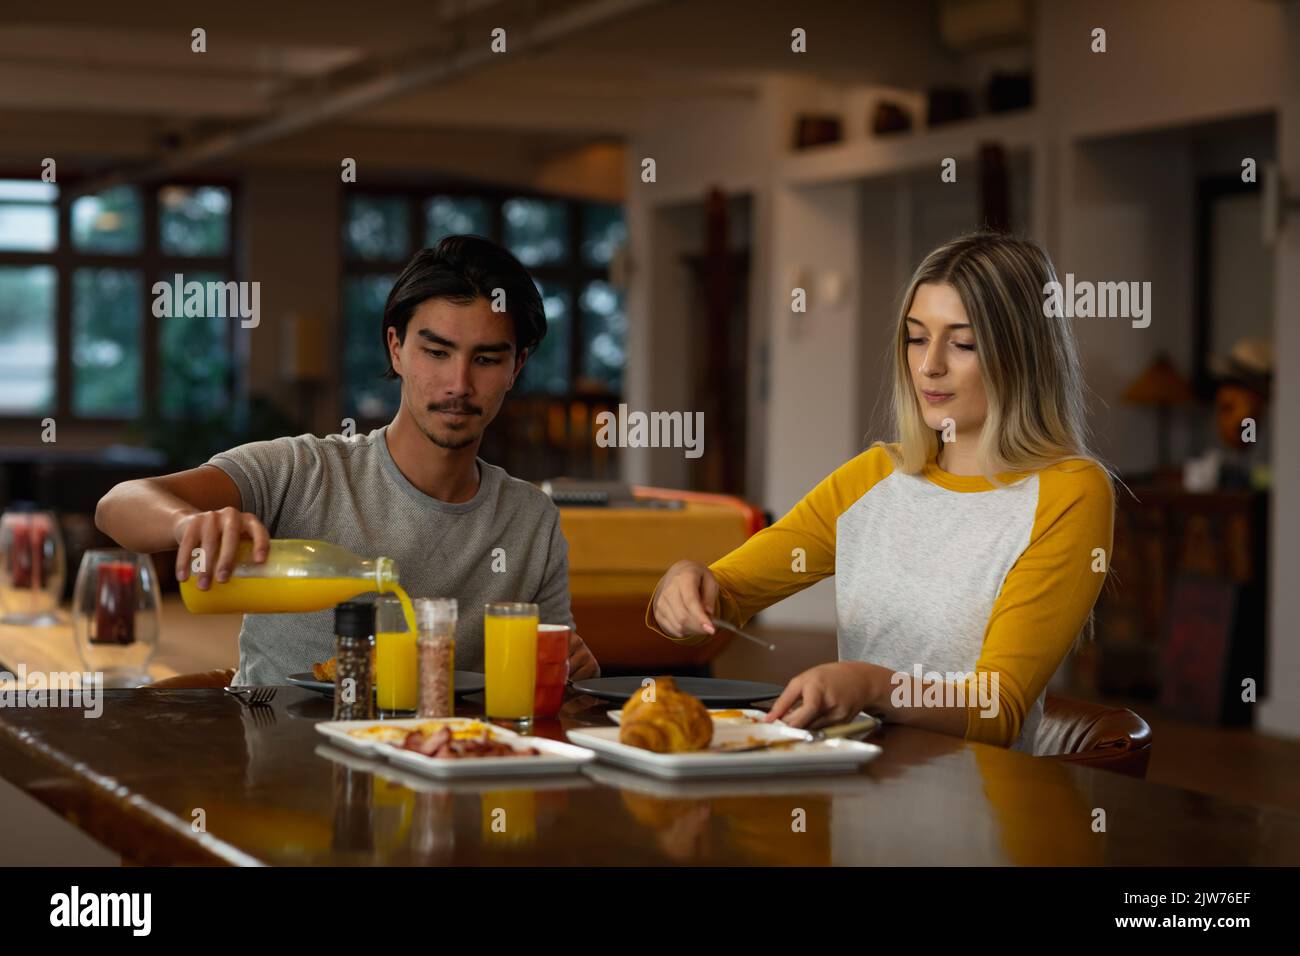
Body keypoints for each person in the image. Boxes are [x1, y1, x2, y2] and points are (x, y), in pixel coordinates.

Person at [647, 231, 1115, 753]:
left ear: (1023, 354)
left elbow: (998, 708)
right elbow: (726, 594)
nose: (929, 365)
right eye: (917, 338)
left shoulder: (1069, 491)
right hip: (862, 800)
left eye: (962, 343)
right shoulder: (873, 477)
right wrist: (686, 582)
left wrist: (873, 685)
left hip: (982, 812)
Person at [97, 235, 599, 685]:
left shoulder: (531, 519)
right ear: (396, 348)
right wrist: (186, 524)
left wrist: (570, 667)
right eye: (437, 353)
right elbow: (119, 505)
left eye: (486, 359)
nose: (459, 384)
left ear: (518, 366)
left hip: (446, 768)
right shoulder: (305, 472)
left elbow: (551, 668)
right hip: (281, 774)